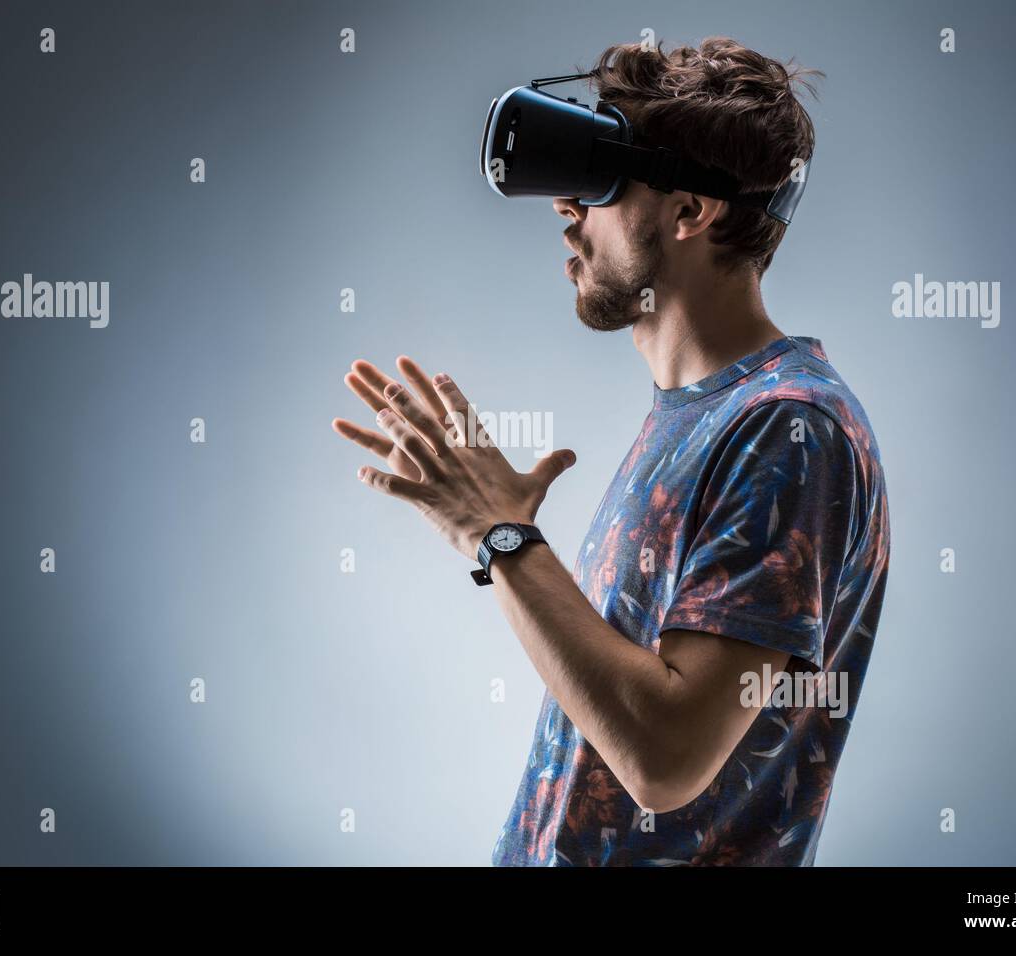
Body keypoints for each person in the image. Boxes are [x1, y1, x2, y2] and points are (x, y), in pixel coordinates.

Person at [332, 37, 890, 866]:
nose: (564, 208)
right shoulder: (701, 413)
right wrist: (502, 535)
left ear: (691, 211)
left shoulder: (789, 426)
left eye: (599, 181)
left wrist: (502, 540)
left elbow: (664, 758)